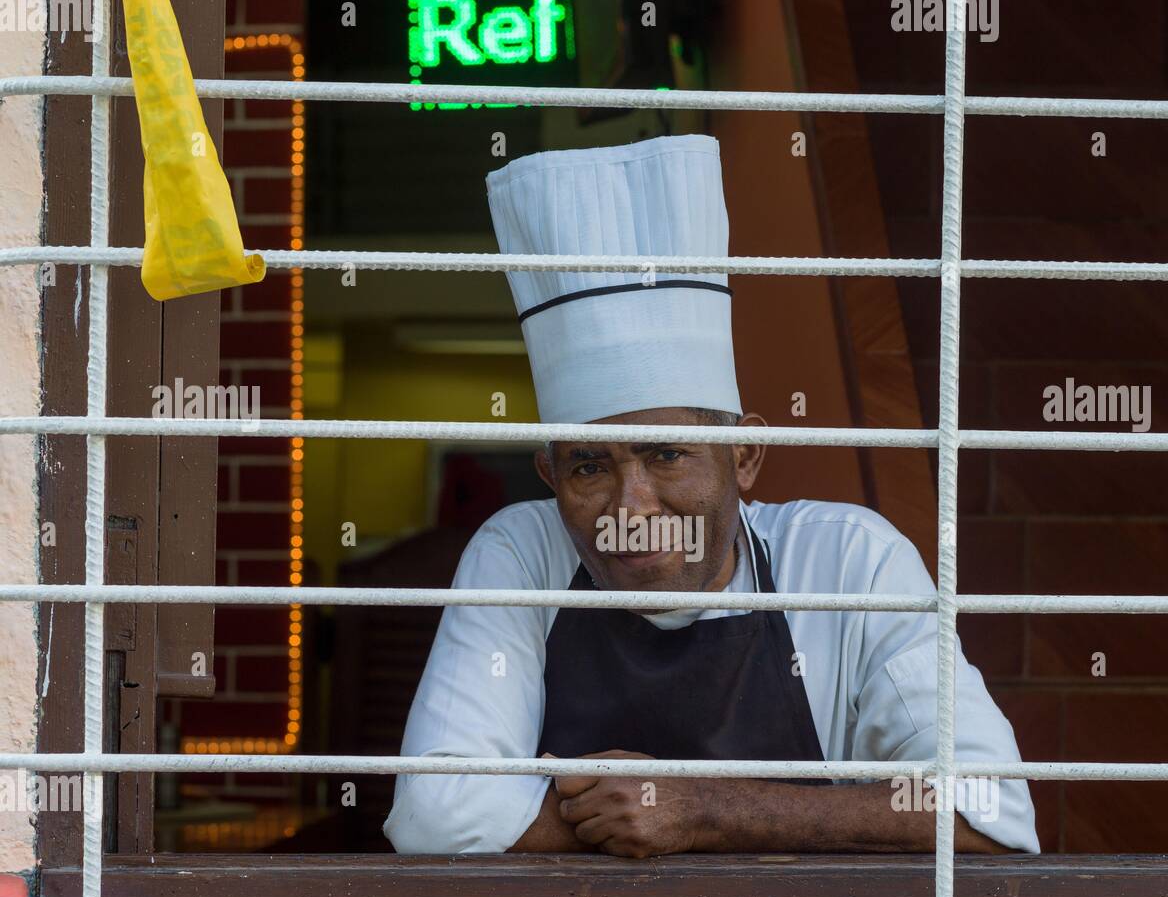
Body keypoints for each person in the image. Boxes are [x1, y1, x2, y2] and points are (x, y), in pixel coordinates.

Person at [384, 134, 1039, 857]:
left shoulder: (849, 561)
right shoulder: (521, 552)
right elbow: (431, 817)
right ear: (549, 476)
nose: (631, 511)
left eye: (667, 455)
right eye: (588, 467)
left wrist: (702, 809)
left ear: (746, 456)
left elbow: (989, 811)